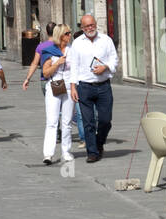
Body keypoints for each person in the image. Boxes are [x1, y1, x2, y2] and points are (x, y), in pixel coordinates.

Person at [69, 13, 119, 162]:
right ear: (82, 28)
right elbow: (74, 67)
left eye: (92, 25)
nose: (90, 28)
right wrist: (73, 87)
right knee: (88, 121)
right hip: (84, 86)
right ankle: (92, 152)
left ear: (96, 24)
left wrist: (105, 67)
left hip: (103, 86)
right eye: (87, 26)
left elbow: (114, 59)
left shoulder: (106, 40)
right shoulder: (77, 43)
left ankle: (99, 142)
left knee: (105, 120)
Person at [38, 24, 75, 166]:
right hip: (54, 85)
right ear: (60, 35)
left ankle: (66, 151)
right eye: (67, 33)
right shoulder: (49, 51)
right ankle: (48, 154)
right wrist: (57, 63)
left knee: (67, 122)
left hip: (69, 86)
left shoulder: (73, 51)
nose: (69, 35)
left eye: (70, 33)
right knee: (52, 121)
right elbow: (45, 73)